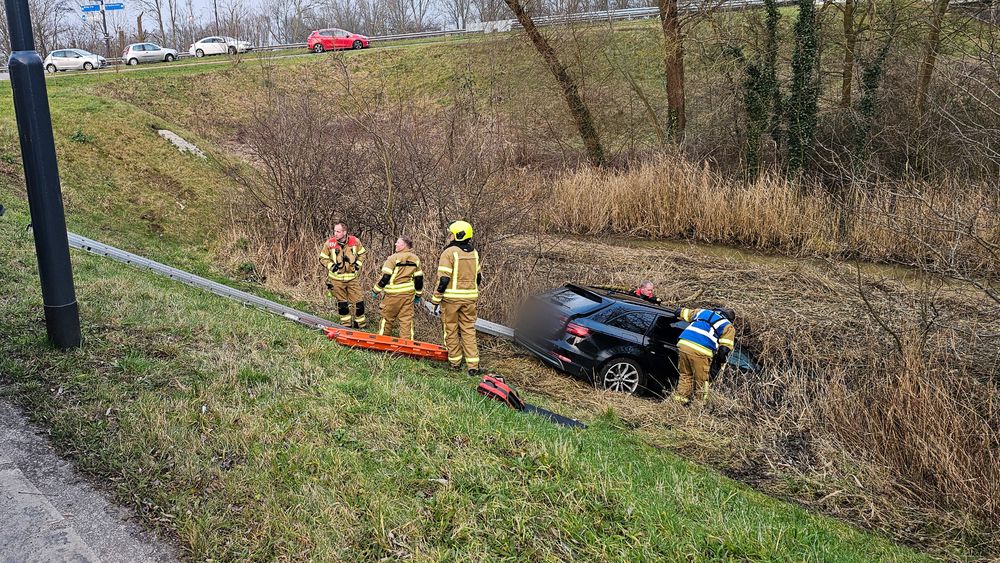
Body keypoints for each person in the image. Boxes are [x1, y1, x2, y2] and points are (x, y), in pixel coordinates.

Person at [431, 220, 481, 375]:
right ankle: (473, 366)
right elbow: (478, 278)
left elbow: (444, 279)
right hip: (470, 298)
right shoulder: (474, 252)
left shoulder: (449, 252)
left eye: (451, 233)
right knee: (468, 330)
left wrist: (436, 298)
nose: (449, 236)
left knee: (451, 329)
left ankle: (455, 362)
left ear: (458, 235)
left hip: (451, 299)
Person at [671, 307, 735, 405]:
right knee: (702, 381)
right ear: (730, 319)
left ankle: (680, 403)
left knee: (686, 375)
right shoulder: (728, 326)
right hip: (701, 351)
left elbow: (679, 312)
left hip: (683, 344)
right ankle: (699, 406)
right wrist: (718, 364)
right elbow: (724, 351)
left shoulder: (703, 312)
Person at [372, 236, 423, 340]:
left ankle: (382, 341)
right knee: (406, 320)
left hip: (392, 295)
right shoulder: (415, 259)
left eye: (398, 242)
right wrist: (418, 294)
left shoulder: (393, 258)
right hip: (408, 295)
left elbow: (385, 277)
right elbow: (419, 279)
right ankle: (407, 344)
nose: (395, 244)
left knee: (387, 318)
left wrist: (375, 290)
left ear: (404, 245)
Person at [319, 222, 367, 328]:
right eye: (335, 231)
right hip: (336, 279)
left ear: (344, 232)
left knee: (359, 302)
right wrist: (331, 266)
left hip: (352, 278)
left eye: (338, 231)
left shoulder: (355, 241)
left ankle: (361, 324)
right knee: (342, 304)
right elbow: (322, 257)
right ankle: (346, 325)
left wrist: (358, 264)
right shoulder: (329, 243)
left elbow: (362, 253)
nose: (335, 233)